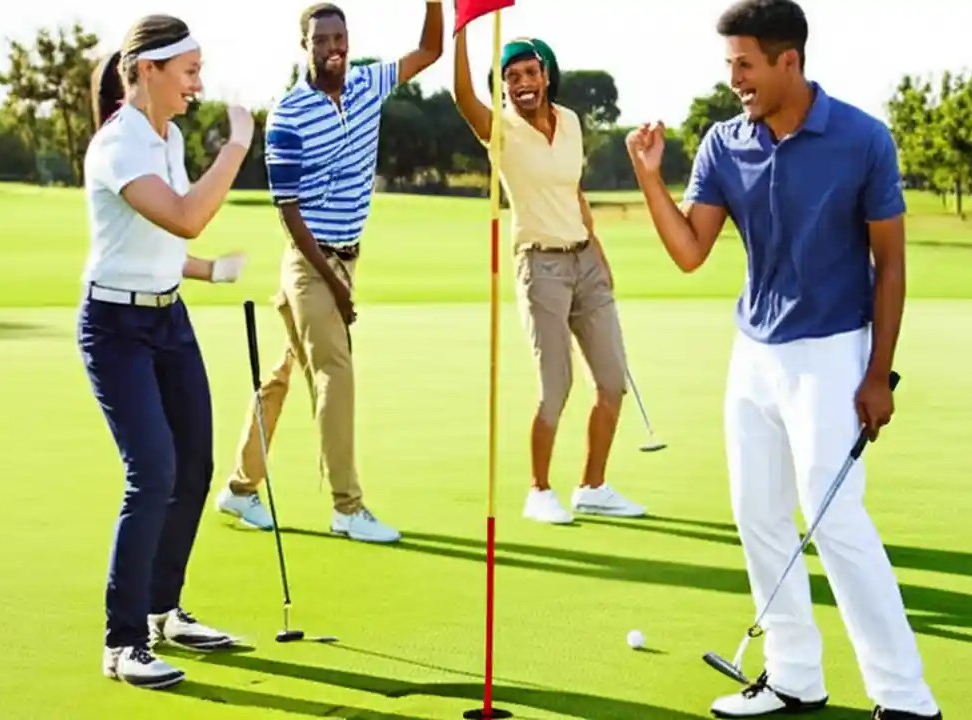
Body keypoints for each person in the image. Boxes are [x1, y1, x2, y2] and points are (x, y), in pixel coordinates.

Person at [625, 1, 943, 718]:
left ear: (788, 62)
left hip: (832, 351)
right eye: (728, 64)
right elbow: (689, 252)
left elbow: (889, 265)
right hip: (754, 353)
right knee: (757, 513)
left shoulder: (862, 138)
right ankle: (793, 674)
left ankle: (906, 698)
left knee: (837, 522)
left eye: (745, 64)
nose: (733, 78)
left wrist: (876, 372)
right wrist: (650, 176)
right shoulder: (723, 143)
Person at [214, 1, 443, 542]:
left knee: (285, 371)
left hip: (346, 258)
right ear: (305, 46)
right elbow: (288, 209)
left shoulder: (368, 85)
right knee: (334, 374)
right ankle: (347, 508)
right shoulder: (289, 115)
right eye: (322, 40)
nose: (334, 47)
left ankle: (240, 489)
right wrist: (335, 286)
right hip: (309, 260)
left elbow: (431, 50)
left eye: (340, 37)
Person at [80, 14, 254, 689]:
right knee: (151, 473)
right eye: (189, 71)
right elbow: (182, 213)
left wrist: (207, 271)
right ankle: (121, 644)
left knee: (194, 466)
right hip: (115, 328)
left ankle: (162, 610)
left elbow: (160, 238)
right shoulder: (117, 145)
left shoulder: (169, 135)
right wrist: (237, 146)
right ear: (146, 71)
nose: (198, 84)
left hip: (167, 320)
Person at [451, 28, 646, 524]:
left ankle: (593, 486)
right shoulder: (500, 130)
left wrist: (597, 249)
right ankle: (538, 490)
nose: (521, 83)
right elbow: (460, 95)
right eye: (510, 78)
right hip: (542, 268)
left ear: (546, 75)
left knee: (611, 383)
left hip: (586, 263)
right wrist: (460, 33)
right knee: (555, 387)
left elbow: (574, 191)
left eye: (529, 73)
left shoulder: (572, 122)